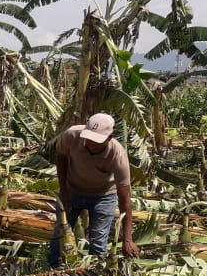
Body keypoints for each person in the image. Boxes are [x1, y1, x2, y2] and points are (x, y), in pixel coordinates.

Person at [47, 113, 139, 267]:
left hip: (103, 195)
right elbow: (61, 157)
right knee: (60, 234)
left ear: (109, 138)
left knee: (98, 243)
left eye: (97, 141)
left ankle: (93, 275)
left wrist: (127, 239)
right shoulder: (72, 135)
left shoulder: (117, 155)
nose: (91, 143)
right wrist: (63, 191)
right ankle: (53, 268)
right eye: (89, 138)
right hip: (73, 189)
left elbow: (125, 200)